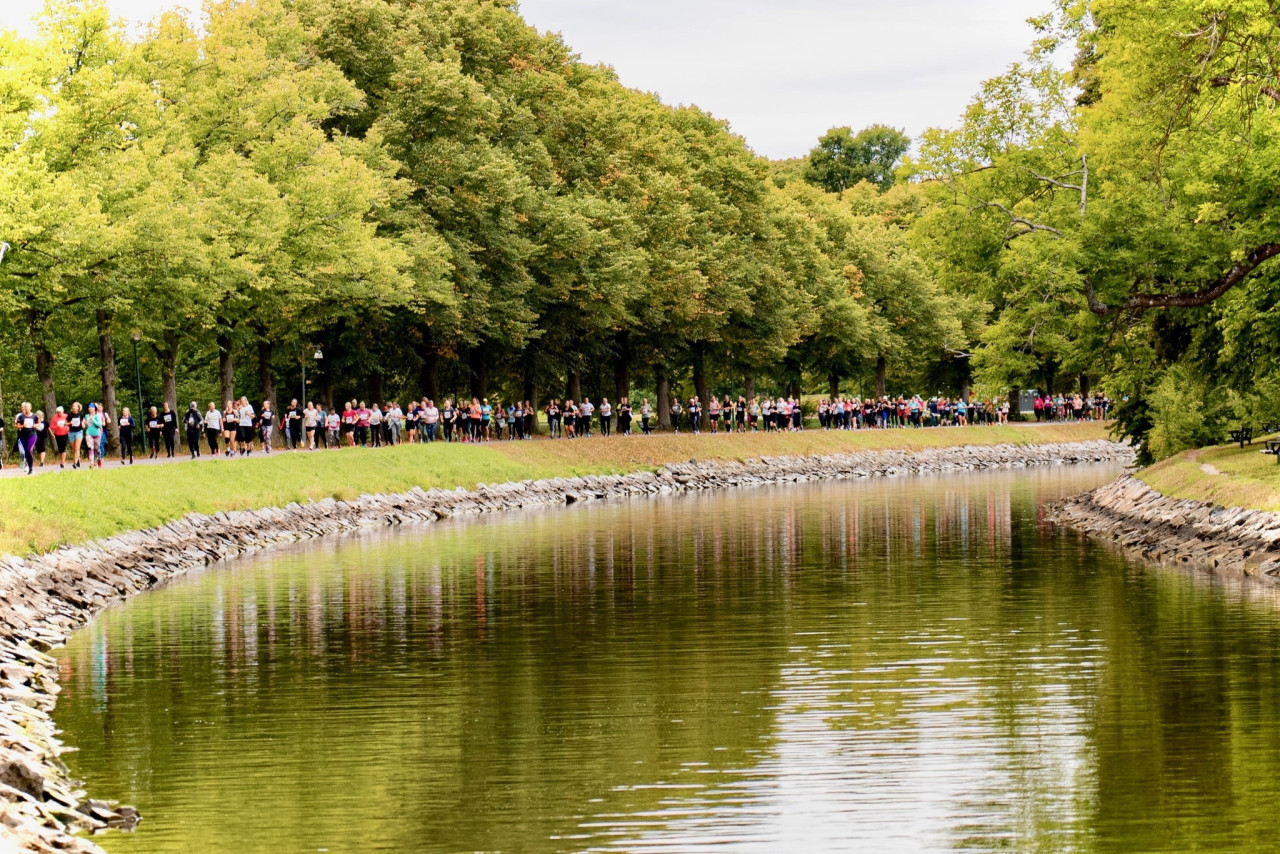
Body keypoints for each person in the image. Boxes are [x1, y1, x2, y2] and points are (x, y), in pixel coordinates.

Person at [14, 403, 36, 475]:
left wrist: (35, 425)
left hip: (32, 435)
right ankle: (28, 465)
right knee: (24, 452)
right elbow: (16, 425)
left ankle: (30, 467)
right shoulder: (19, 416)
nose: (24, 409)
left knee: (29, 450)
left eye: (26, 407)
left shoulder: (34, 416)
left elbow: (39, 423)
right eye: (23, 407)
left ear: (30, 408)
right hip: (22, 435)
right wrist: (22, 426)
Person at [68, 402, 86, 468]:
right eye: (73, 406)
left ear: (78, 408)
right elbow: (65, 423)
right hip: (71, 433)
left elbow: (84, 422)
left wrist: (83, 423)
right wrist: (70, 423)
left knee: (77, 448)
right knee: (74, 449)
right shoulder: (69, 415)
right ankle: (77, 459)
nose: (74, 407)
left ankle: (75, 463)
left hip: (79, 432)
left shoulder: (81, 415)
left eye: (75, 406)